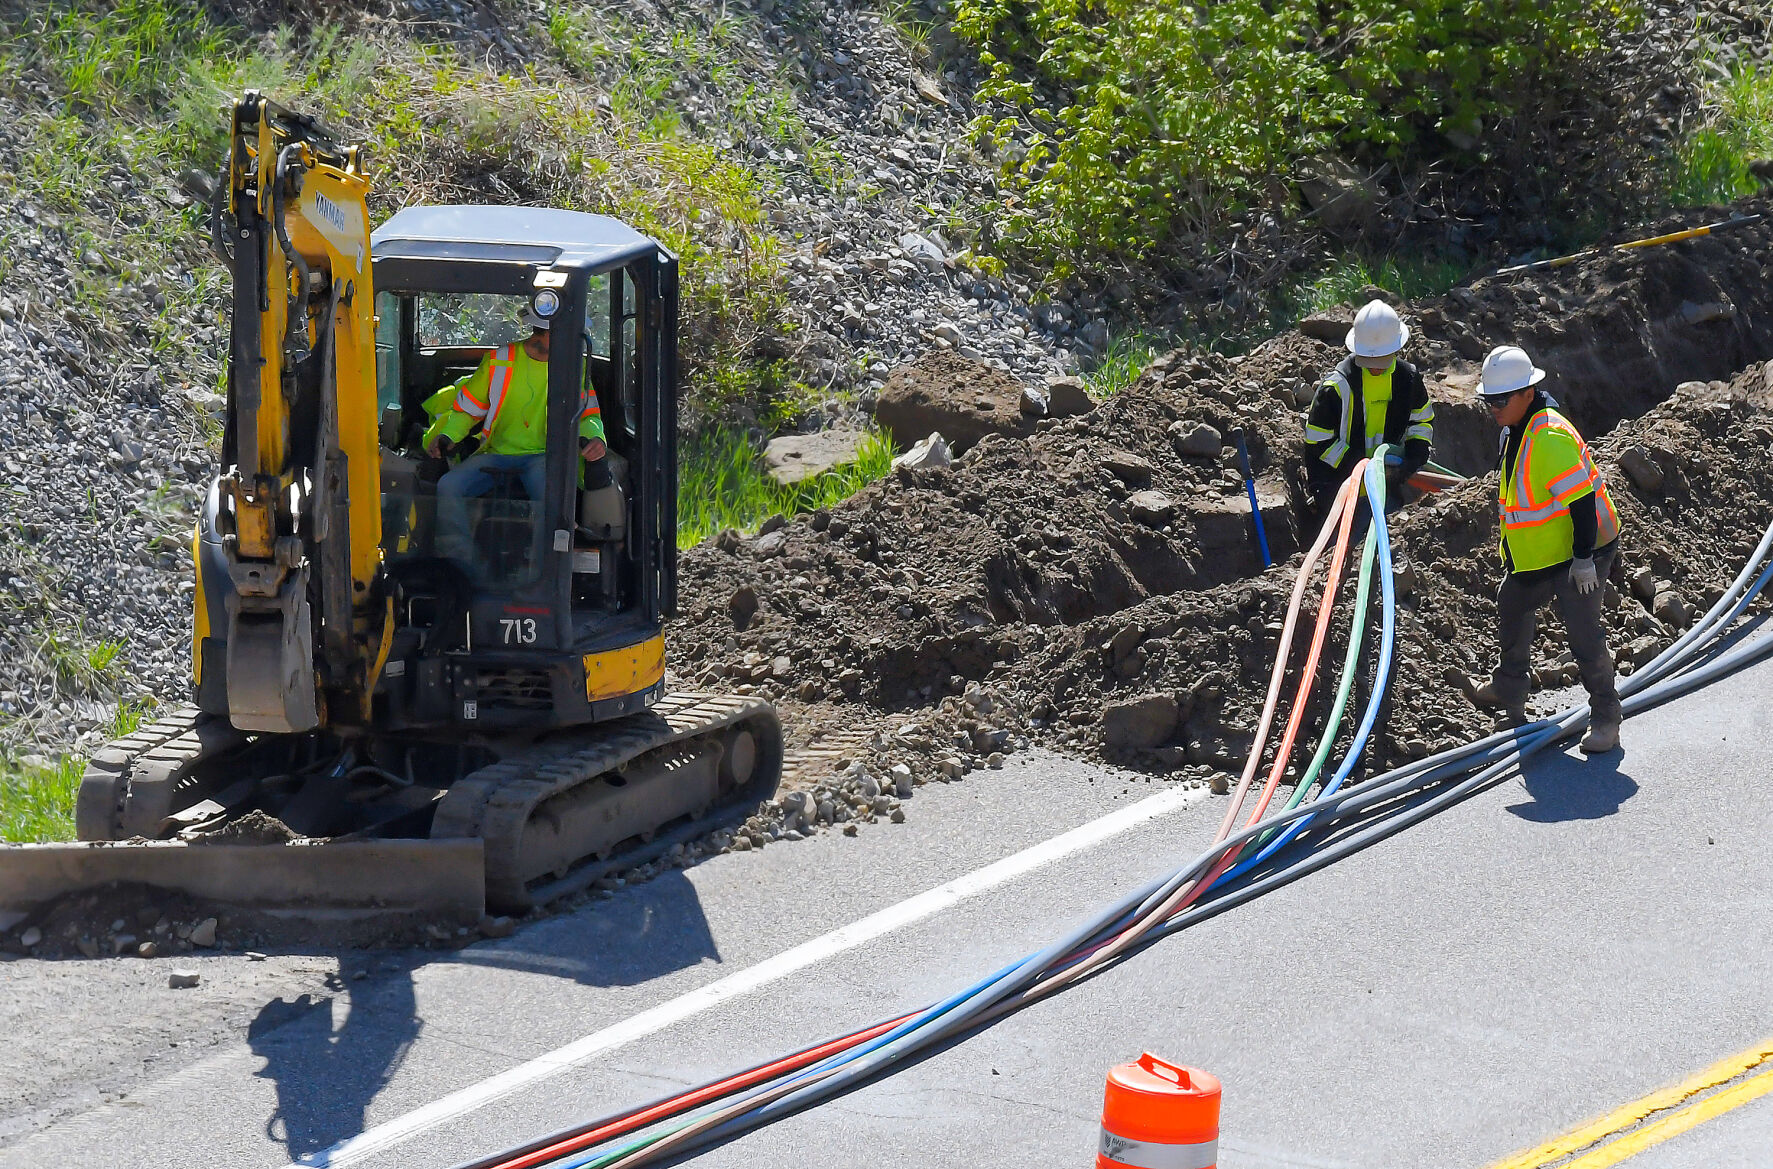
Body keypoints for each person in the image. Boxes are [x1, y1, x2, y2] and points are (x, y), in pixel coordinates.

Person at [1467, 345, 1622, 753]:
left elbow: (1582, 502)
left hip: (1580, 550)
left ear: (1527, 394)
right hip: (1539, 553)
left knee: (1582, 633)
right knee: (1512, 603)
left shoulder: (1548, 436)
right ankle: (1510, 692)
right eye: (1489, 400)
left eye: (1501, 400)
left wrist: (1584, 559)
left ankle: (1607, 715)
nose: (1493, 407)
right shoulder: (1513, 430)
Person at [427, 306, 606, 558]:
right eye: (562, 332)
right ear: (541, 332)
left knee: (554, 499)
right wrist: (448, 436)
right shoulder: (500, 359)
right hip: (496, 452)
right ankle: (462, 565)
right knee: (448, 486)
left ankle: (544, 569)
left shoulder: (576, 365)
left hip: (543, 457)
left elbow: (587, 415)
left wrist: (596, 439)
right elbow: (468, 410)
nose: (569, 339)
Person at [1302, 299, 1434, 526]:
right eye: (1369, 359)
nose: (1375, 366)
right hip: (1339, 487)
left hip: (1385, 486)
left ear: (1396, 350)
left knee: (1391, 530)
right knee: (1356, 535)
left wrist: (1414, 456)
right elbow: (1318, 440)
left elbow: (1421, 421)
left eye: (1381, 359)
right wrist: (1361, 465)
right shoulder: (1337, 387)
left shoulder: (1408, 379)